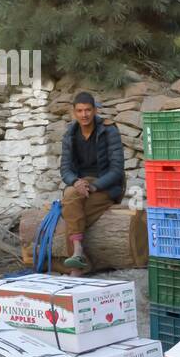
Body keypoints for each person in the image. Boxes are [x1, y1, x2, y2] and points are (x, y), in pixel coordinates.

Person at [58, 91, 125, 272]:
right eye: (79, 111)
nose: (84, 115)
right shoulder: (70, 135)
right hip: (80, 187)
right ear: (74, 112)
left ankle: (79, 266)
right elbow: (65, 169)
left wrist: (95, 185)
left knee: (71, 212)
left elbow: (117, 169)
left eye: (88, 110)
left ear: (95, 110)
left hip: (106, 186)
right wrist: (76, 182)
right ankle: (79, 254)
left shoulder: (109, 130)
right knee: (72, 202)